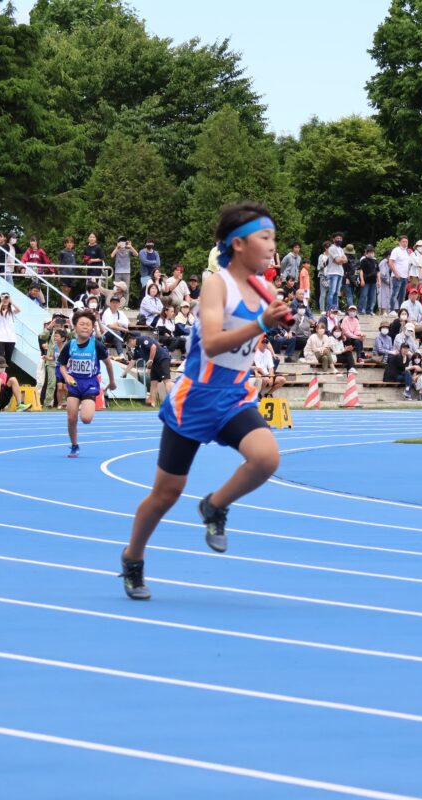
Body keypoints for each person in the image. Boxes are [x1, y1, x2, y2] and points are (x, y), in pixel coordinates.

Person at [119, 203, 289, 601]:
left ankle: (214, 506)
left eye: (273, 239)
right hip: (195, 398)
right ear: (239, 243)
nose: (272, 246)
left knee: (266, 459)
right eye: (265, 238)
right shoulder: (217, 284)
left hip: (234, 396)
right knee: (166, 494)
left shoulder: (265, 288)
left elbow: (254, 336)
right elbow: (212, 342)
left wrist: (275, 321)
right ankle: (133, 556)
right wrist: (262, 323)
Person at [57, 310, 116, 457]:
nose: (85, 327)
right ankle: (74, 445)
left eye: (88, 325)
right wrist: (66, 376)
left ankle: (85, 404)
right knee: (71, 418)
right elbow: (61, 365)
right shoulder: (70, 345)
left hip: (90, 383)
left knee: (86, 419)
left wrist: (113, 381)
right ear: (75, 327)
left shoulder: (96, 345)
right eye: (82, 324)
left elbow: (108, 363)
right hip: (74, 384)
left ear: (92, 328)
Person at [124, 330, 172, 406]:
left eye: (127, 344)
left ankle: (172, 402)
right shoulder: (137, 350)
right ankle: (153, 403)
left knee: (166, 381)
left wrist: (150, 360)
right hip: (153, 363)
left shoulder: (143, 339)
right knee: (153, 383)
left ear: (131, 341)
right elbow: (133, 361)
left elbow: (153, 347)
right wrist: (125, 372)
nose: (128, 346)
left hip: (162, 359)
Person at [0, 291, 20, 364]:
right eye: (4, 298)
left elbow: (19, 310)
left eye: (7, 298)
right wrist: (1, 301)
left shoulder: (11, 310)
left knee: (8, 359)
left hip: (10, 338)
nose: (5, 300)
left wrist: (11, 302)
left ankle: (5, 374)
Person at [111, 236, 138, 304]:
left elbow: (136, 254)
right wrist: (117, 247)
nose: (122, 243)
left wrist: (131, 246)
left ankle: (125, 305)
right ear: (118, 242)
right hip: (118, 272)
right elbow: (112, 255)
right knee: (116, 289)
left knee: (126, 289)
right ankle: (116, 302)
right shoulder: (117, 250)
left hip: (127, 272)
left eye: (124, 241)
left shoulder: (128, 250)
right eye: (121, 241)